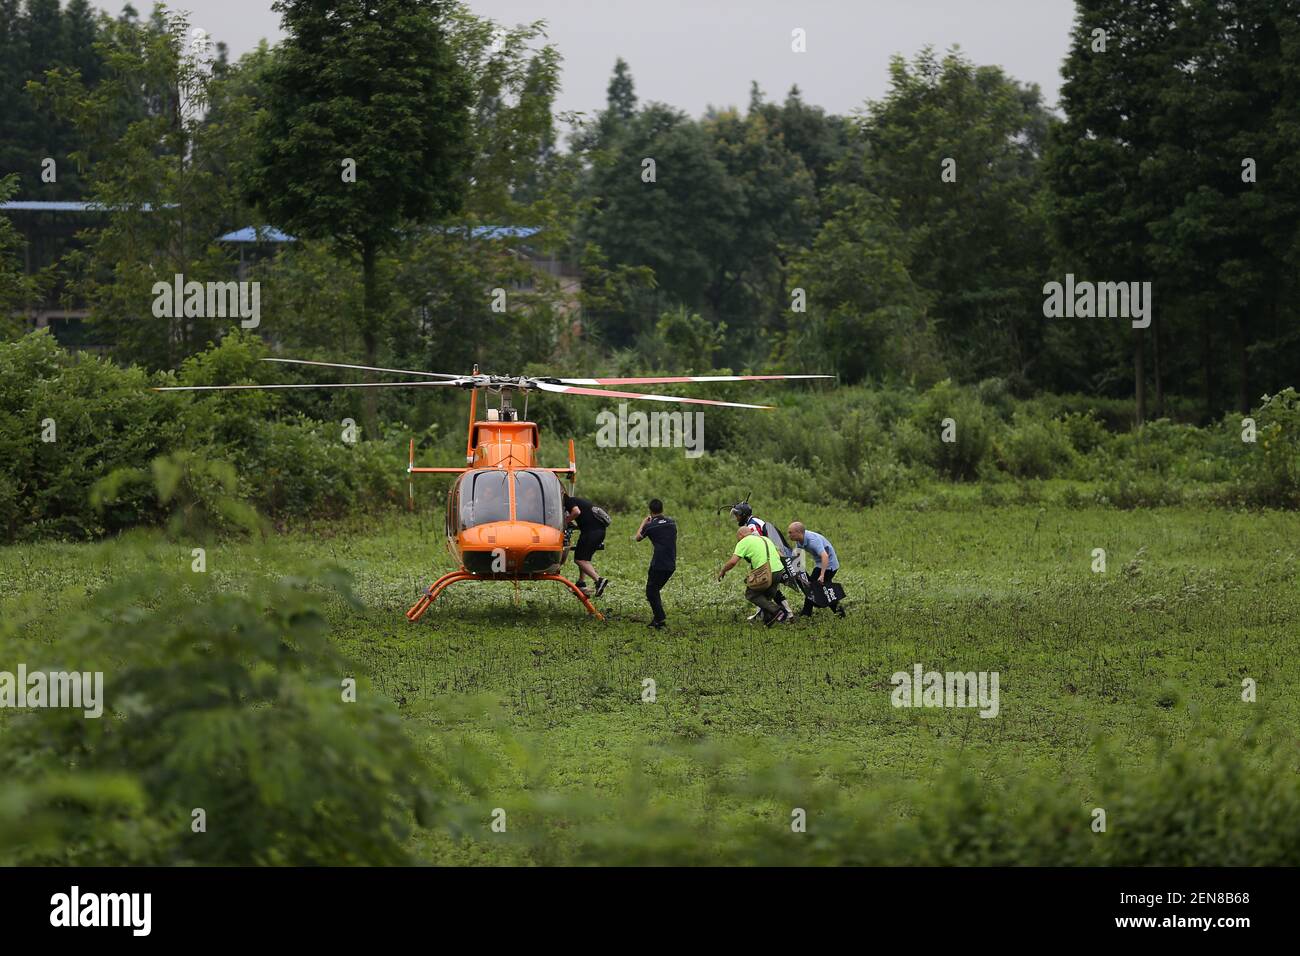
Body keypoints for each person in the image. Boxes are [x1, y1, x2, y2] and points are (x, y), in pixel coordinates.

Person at [729, 501, 795, 619]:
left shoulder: (751, 527)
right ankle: (779, 613)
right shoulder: (755, 521)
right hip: (774, 559)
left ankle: (785, 613)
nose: (736, 518)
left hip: (767, 562)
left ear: (743, 514)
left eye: (737, 514)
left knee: (760, 586)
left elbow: (758, 546)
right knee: (768, 588)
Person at [718, 525, 790, 626]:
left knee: (751, 594)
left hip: (765, 572)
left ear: (741, 535)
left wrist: (723, 571)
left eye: (737, 538)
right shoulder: (765, 538)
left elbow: (733, 562)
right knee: (766, 597)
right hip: (779, 570)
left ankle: (777, 611)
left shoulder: (743, 542)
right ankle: (768, 621)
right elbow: (780, 554)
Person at [787, 521, 845, 617]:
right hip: (819, 564)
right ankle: (838, 613)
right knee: (818, 588)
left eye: (790, 532)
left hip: (829, 565)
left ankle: (807, 614)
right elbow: (798, 554)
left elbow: (825, 556)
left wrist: (822, 575)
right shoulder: (799, 540)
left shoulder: (813, 541)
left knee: (817, 588)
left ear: (798, 532)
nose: (789, 535)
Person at [635, 499, 676, 629]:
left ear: (650, 510)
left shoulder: (650, 526)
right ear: (662, 509)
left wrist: (644, 523)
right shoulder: (672, 523)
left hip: (658, 563)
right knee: (654, 590)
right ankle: (657, 619)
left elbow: (638, 538)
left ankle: (660, 619)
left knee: (651, 591)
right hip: (671, 563)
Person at [562, 493, 609, 596]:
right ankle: (581, 583)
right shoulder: (579, 501)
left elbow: (576, 512)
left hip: (591, 533)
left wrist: (564, 522)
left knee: (579, 560)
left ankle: (599, 580)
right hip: (599, 532)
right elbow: (586, 518)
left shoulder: (568, 501)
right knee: (584, 559)